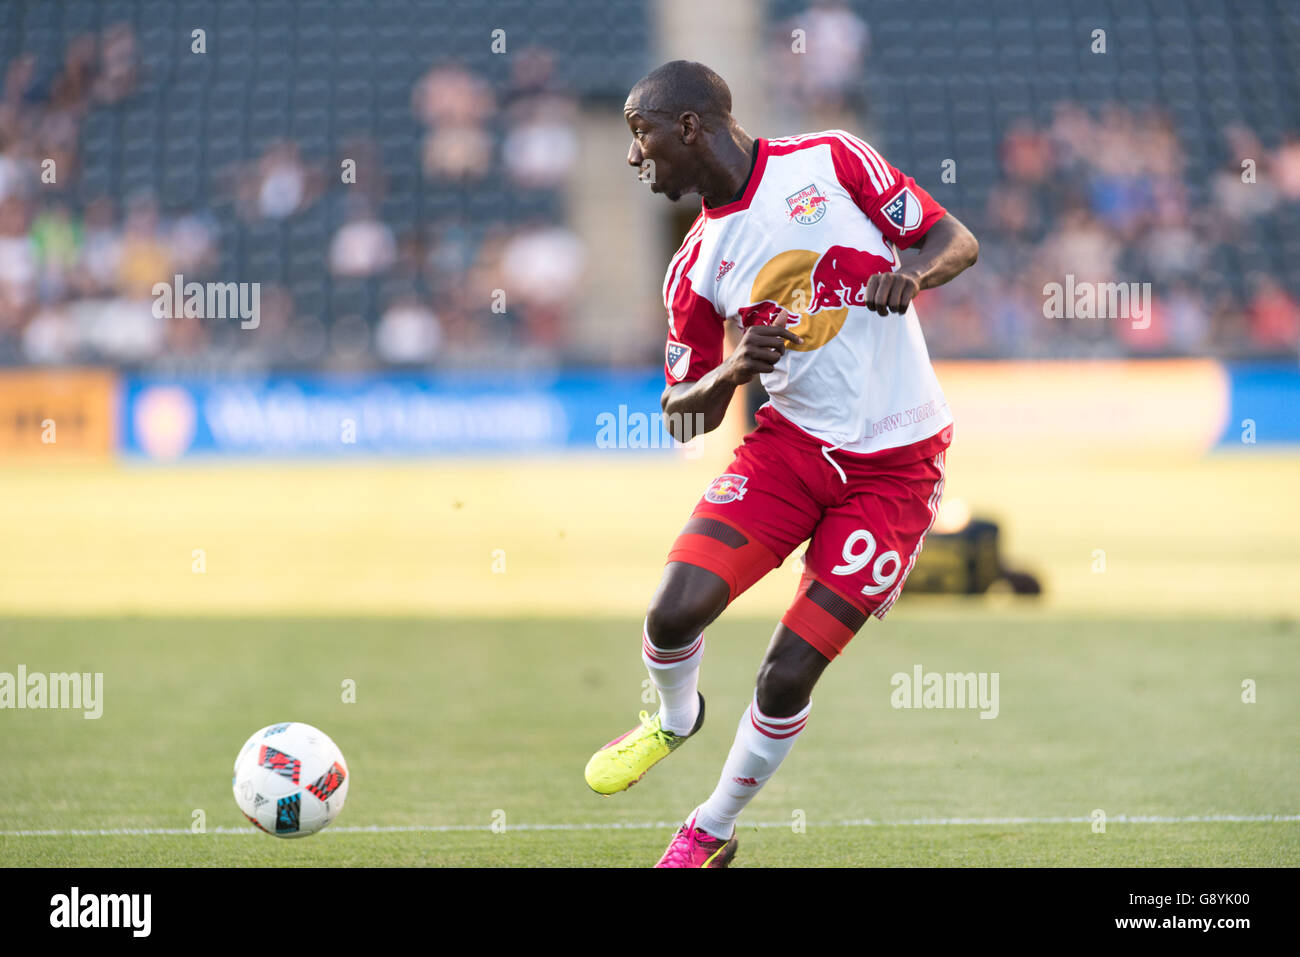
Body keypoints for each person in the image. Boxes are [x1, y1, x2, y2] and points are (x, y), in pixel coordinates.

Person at [584, 61, 979, 867]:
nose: (633, 156)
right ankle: (674, 716)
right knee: (671, 613)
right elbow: (676, 409)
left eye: (640, 134)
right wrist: (731, 372)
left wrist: (913, 274)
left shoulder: (832, 160)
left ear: (688, 127)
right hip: (790, 452)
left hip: (897, 469)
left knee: (786, 674)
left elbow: (954, 239)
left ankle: (710, 829)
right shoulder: (694, 265)